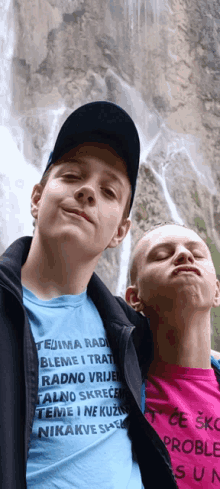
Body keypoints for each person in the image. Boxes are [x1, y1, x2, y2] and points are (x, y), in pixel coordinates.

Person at [0, 102, 178, 489]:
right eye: (72, 175)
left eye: (108, 190)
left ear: (120, 232)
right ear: (36, 198)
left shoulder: (130, 330)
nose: (86, 191)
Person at [126, 223, 220, 488]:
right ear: (134, 297)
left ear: (216, 291)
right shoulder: (116, 387)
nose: (183, 255)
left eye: (197, 253)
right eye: (161, 255)